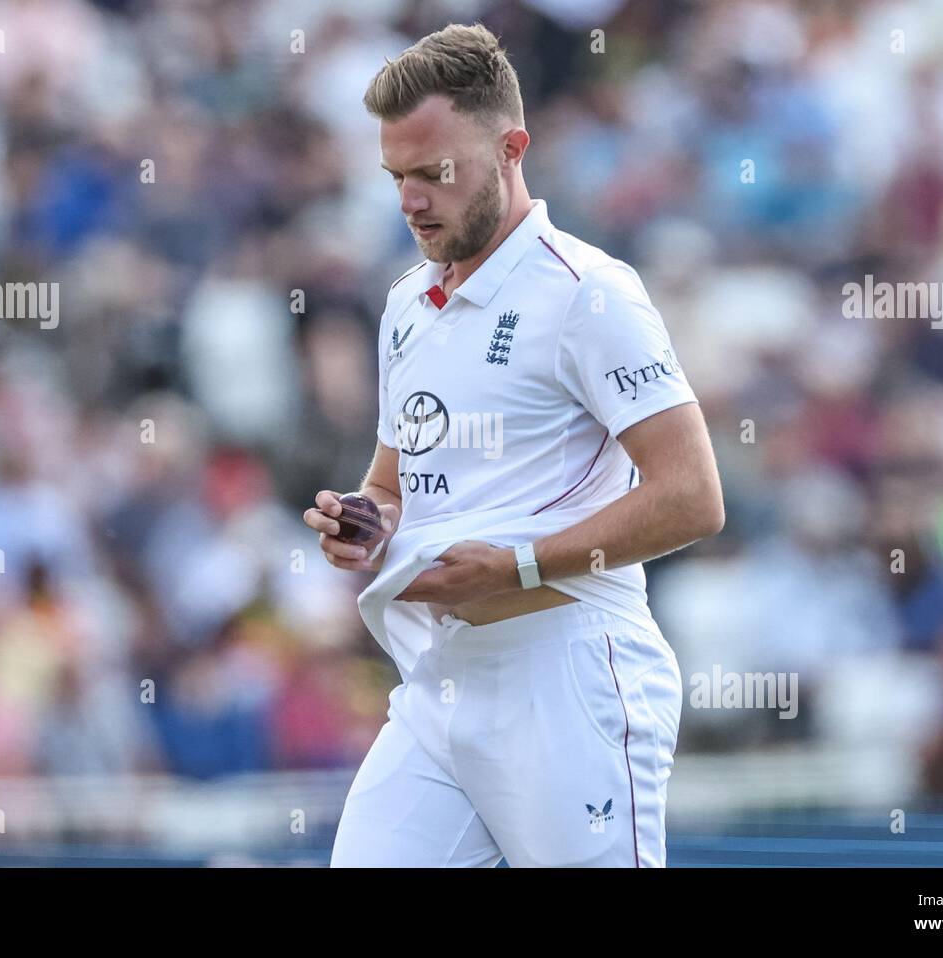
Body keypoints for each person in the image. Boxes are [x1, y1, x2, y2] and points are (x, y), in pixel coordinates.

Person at [302, 23, 724, 867]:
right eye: (397, 178)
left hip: (571, 671)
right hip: (441, 679)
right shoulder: (403, 305)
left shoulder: (589, 294)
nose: (411, 200)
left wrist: (518, 564)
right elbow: (393, 484)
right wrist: (364, 520)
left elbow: (693, 498)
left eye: (434, 173)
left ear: (511, 148)